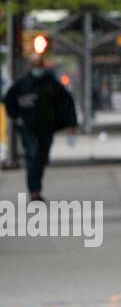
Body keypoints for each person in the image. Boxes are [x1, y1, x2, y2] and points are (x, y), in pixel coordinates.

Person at [3, 55, 77, 202]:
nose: (37, 69)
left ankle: (36, 188)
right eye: (34, 65)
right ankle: (34, 191)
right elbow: (9, 101)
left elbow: (66, 101)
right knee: (33, 156)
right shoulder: (21, 84)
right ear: (30, 67)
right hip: (28, 128)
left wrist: (70, 123)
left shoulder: (50, 83)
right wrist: (17, 117)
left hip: (46, 127)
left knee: (42, 157)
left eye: (39, 65)